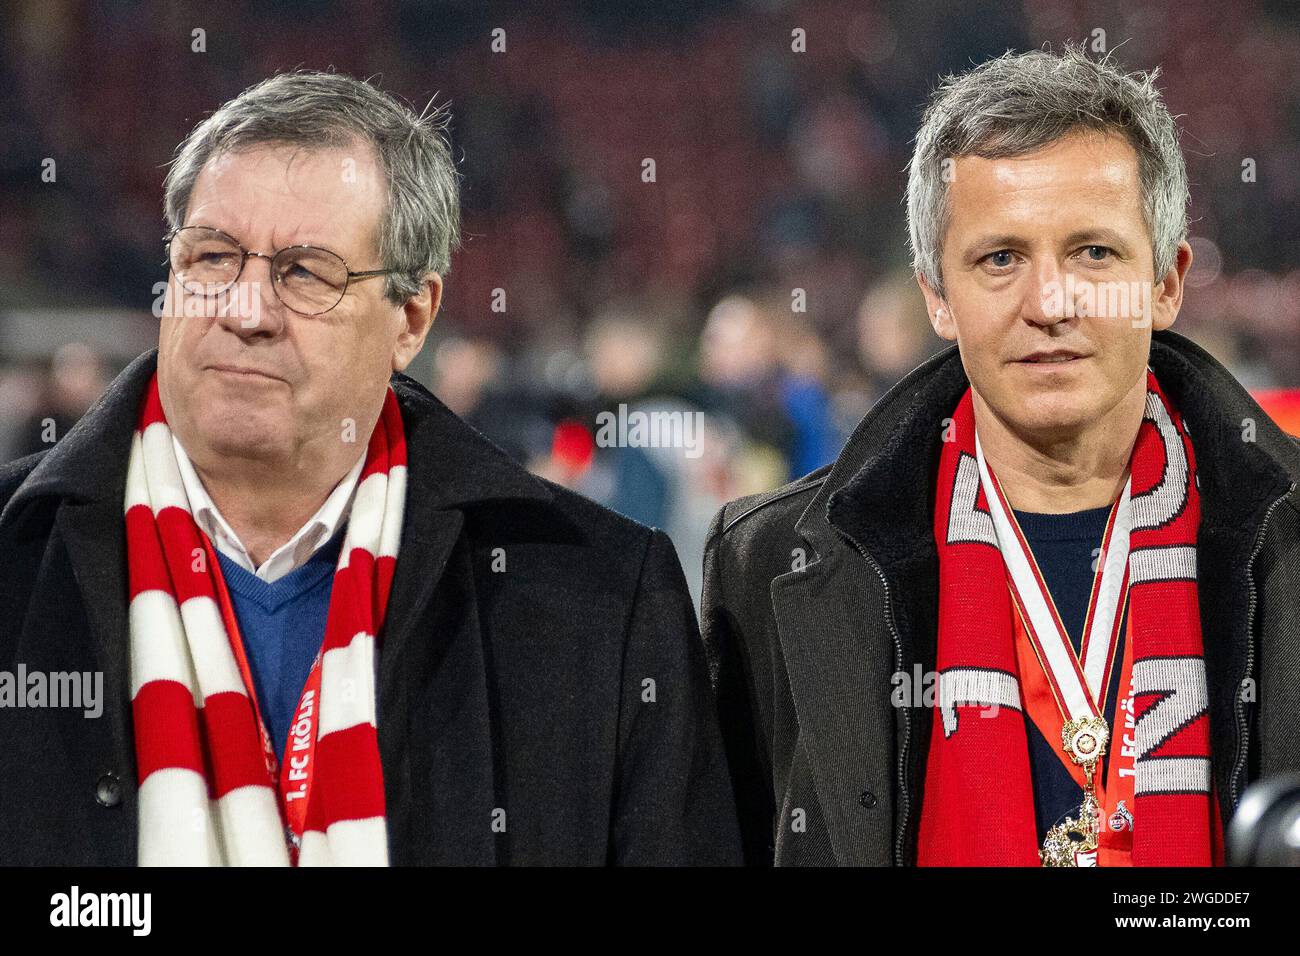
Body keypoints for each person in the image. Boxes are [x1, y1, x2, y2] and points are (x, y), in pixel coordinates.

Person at [0, 70, 739, 866]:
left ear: (411, 318)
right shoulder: (16, 554)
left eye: (304, 272)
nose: (245, 311)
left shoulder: (601, 599)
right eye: (211, 257)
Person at [703, 46, 1300, 867]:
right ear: (936, 296)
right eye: (1000, 259)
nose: (1049, 303)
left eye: (1094, 253)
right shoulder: (770, 561)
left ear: (1167, 282)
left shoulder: (1288, 536)